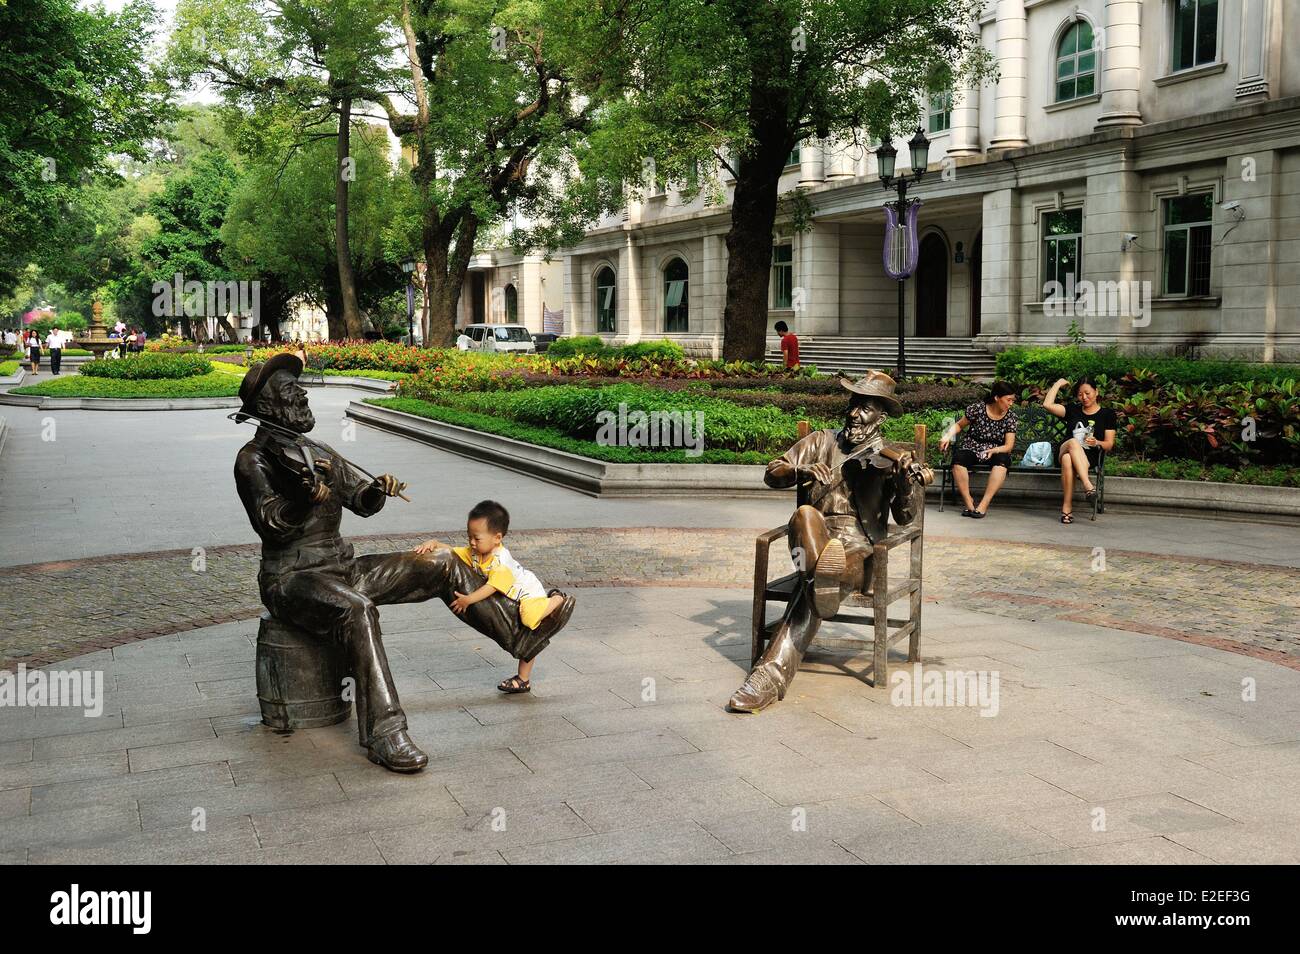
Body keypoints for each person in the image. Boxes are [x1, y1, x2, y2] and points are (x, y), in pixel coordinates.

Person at [727, 371, 931, 713]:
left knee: (818, 579)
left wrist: (908, 483)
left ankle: (768, 676)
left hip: (859, 548)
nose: (854, 414)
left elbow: (907, 519)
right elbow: (771, 472)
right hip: (813, 539)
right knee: (804, 514)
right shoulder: (821, 441)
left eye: (865, 408)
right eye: (853, 404)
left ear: (880, 417)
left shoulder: (890, 458)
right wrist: (801, 471)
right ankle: (819, 576)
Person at [415, 500, 573, 694]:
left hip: (528, 594)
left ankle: (556, 601)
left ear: (497, 538)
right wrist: (434, 544)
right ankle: (523, 680)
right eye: (469, 537)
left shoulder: (500, 561)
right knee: (528, 635)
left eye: (477, 538)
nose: (472, 542)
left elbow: (491, 587)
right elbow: (453, 553)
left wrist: (468, 599)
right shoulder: (476, 552)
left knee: (529, 618)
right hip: (511, 599)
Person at [939, 381, 1019, 518]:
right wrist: (947, 436)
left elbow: (1009, 445)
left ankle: (983, 504)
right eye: (1008, 400)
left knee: (1002, 461)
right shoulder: (977, 409)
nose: (1011, 403)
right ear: (996, 398)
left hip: (996, 450)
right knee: (958, 460)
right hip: (973, 447)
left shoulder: (1010, 417)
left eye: (1013, 400)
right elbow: (959, 425)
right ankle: (969, 504)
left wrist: (994, 450)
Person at [1043, 376, 1117, 524]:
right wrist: (1057, 383)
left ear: (1096, 392)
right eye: (1080, 394)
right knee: (1072, 442)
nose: (1084, 397)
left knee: (1067, 459)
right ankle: (1088, 486)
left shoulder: (1108, 414)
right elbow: (1047, 404)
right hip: (1065, 448)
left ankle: (1067, 508)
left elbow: (1109, 444)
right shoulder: (1072, 410)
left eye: (1087, 393)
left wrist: (1097, 442)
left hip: (1088, 457)